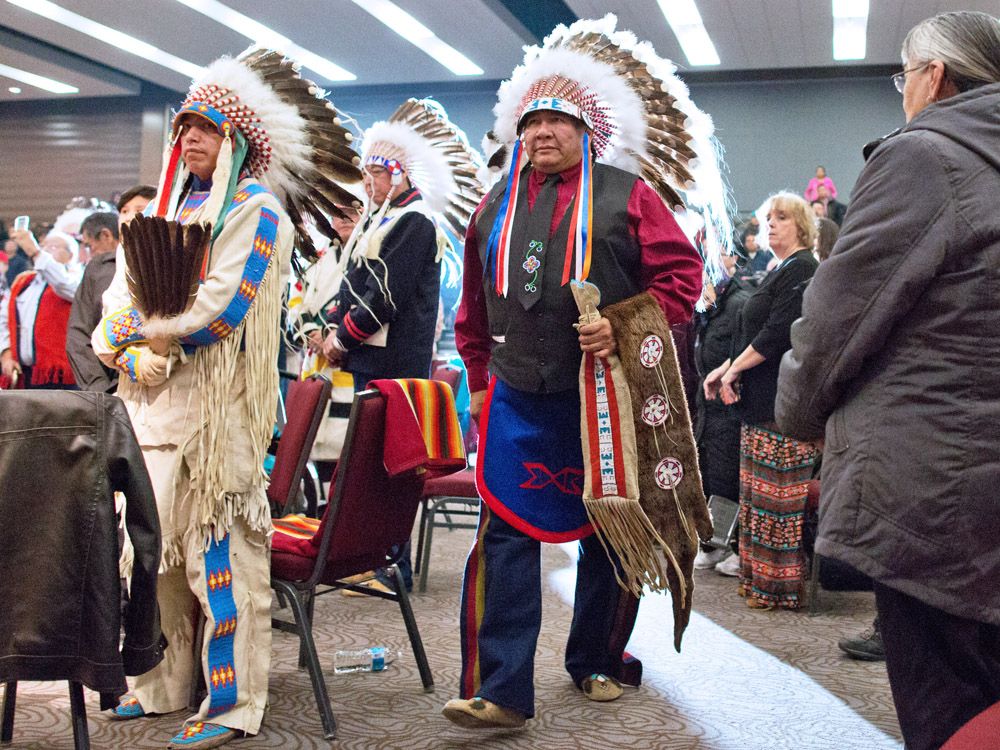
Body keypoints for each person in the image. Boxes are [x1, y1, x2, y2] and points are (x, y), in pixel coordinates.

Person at [443, 19, 715, 729]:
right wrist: (479, 383)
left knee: (608, 531)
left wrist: (622, 326)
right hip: (514, 395)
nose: (541, 131)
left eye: (557, 120)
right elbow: (473, 309)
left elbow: (683, 278)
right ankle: (501, 688)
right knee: (503, 534)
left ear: (587, 130)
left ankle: (596, 657)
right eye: (531, 121)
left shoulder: (629, 195)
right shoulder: (493, 204)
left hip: (603, 395)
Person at [91, 49, 353, 748]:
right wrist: (125, 348)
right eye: (185, 129)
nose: (192, 140)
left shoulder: (257, 212)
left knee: (222, 562)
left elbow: (221, 306)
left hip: (217, 418)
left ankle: (233, 703)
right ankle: (161, 686)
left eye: (208, 128)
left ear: (236, 140)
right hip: (150, 413)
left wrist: (151, 337)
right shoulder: (160, 213)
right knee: (154, 556)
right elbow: (115, 302)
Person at [775, 12, 1000, 750]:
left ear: (935, 76)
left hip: (933, 485)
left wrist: (797, 416)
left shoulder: (925, 156)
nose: (902, 92)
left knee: (949, 715)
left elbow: (838, 315)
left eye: (904, 76)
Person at [321, 99, 477, 593]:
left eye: (377, 173)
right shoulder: (380, 220)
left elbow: (385, 296)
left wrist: (342, 336)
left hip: (393, 362)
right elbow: (354, 287)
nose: (368, 182)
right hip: (371, 360)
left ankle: (393, 565)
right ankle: (373, 558)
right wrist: (335, 325)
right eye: (366, 173)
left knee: (392, 464)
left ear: (401, 174)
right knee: (369, 465)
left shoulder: (414, 222)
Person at [703, 192, 819, 610]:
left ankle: (777, 589)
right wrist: (725, 367)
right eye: (768, 217)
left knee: (776, 503)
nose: (770, 224)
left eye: (781, 218)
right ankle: (757, 581)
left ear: (801, 225)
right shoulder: (779, 268)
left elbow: (775, 334)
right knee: (756, 499)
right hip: (758, 403)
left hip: (780, 405)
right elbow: (751, 333)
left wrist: (733, 370)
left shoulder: (803, 268)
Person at [692, 255, 756, 574]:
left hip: (731, 407)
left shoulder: (740, 304)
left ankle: (734, 545)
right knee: (709, 473)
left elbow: (747, 353)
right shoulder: (708, 308)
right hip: (708, 405)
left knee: (727, 477)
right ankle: (714, 543)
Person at [1, 228, 82, 388]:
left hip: (62, 376)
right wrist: (6, 351)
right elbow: (4, 319)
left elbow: (63, 284)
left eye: (53, 247)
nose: (45, 251)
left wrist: (36, 252)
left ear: (71, 256)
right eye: (43, 246)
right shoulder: (23, 282)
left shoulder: (77, 279)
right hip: (25, 373)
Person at [66, 211, 124, 392]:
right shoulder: (98, 268)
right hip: (109, 382)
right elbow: (80, 333)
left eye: (89, 246)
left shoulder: (102, 268)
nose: (88, 253)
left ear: (106, 235)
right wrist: (99, 388)